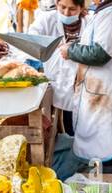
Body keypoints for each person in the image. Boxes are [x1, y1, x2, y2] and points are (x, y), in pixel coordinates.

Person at [61, 0, 112, 164]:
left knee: (103, 150)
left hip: (105, 95)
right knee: (95, 149)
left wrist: (70, 50)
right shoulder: (106, 12)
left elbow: (101, 53)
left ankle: (105, 181)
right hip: (98, 92)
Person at [33, 0, 86, 133]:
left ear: (81, 8)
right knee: (53, 124)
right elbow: (31, 40)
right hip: (53, 79)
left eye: (72, 9)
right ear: (56, 4)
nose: (66, 13)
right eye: (62, 7)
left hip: (81, 81)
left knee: (77, 123)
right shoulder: (46, 20)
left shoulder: (89, 23)